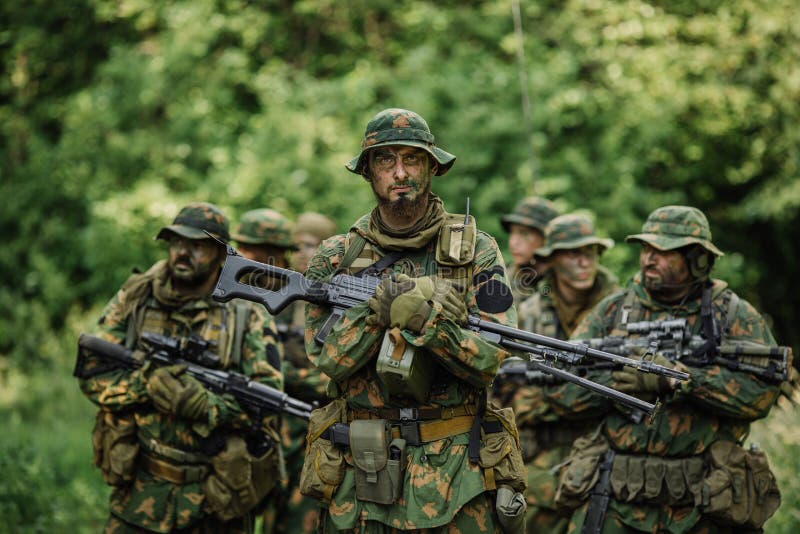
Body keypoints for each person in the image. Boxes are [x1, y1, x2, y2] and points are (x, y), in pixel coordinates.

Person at [301, 108, 527, 532]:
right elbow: (328, 357)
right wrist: (379, 312)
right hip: (360, 474)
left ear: (432, 168)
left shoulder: (476, 250)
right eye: (386, 160)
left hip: (459, 474)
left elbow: (493, 356)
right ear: (368, 172)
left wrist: (426, 320)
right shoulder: (336, 258)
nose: (400, 172)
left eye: (413, 159)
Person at [555, 205, 785, 533]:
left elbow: (761, 394)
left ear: (698, 259)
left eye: (664, 251)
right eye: (647, 248)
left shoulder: (732, 315)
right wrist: (618, 383)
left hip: (705, 504)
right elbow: (561, 392)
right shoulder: (612, 311)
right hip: (617, 499)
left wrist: (680, 382)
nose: (649, 258)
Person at [78, 202, 284, 533]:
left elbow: (268, 401)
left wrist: (207, 407)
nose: (182, 253)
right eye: (176, 243)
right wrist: (146, 386)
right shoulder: (137, 297)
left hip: (215, 500)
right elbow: (92, 375)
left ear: (220, 254)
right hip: (139, 494)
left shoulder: (246, 313)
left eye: (197, 245)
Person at [510, 213, 619, 533]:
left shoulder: (620, 311)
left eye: (590, 253)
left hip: (607, 449)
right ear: (553, 260)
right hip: (543, 454)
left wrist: (550, 396)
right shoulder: (528, 317)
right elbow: (508, 393)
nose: (584, 262)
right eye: (573, 254)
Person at [500, 196, 560, 306]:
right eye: (512, 232)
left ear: (547, 238)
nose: (513, 242)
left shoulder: (565, 283)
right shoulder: (500, 280)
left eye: (523, 233)